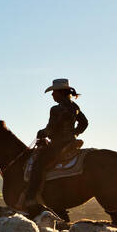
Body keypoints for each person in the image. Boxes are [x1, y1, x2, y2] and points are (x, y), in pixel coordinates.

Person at [22, 78, 87, 210]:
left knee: (38, 164)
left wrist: (41, 133)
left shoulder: (56, 109)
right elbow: (84, 123)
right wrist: (75, 134)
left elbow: (50, 129)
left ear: (59, 93)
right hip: (71, 143)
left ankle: (30, 197)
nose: (52, 95)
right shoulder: (74, 107)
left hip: (58, 145)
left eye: (54, 92)